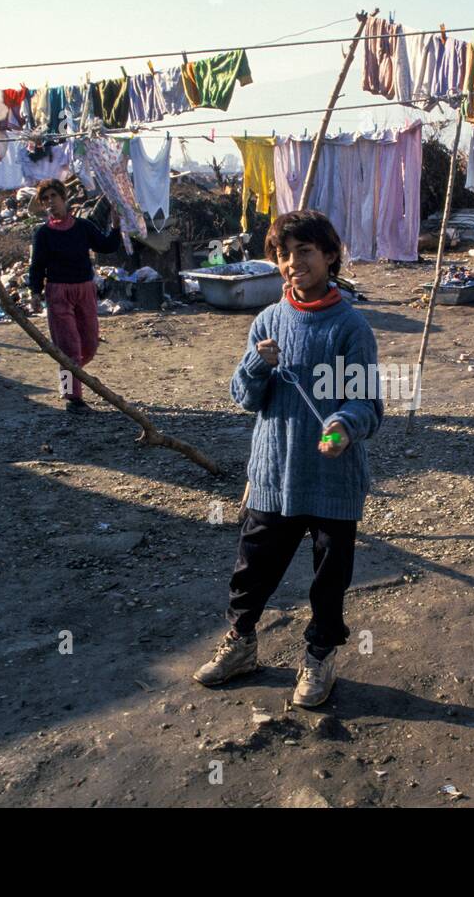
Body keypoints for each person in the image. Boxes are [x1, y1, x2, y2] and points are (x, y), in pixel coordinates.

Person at [193, 210, 384, 707]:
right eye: (283, 254)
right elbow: (243, 396)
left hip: (332, 480)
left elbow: (368, 403)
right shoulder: (267, 321)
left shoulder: (351, 328)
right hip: (272, 475)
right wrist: (258, 362)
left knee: (328, 581)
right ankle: (241, 645)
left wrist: (344, 425)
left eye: (304, 251)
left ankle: (320, 656)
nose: (293, 262)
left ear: (330, 255)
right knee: (251, 571)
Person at [27, 178, 120, 413]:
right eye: (45, 199)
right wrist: (35, 293)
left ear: (63, 198)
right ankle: (72, 397)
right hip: (58, 292)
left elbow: (107, 246)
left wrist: (117, 227)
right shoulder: (44, 233)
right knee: (69, 348)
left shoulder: (83, 227)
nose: (50, 203)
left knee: (88, 345)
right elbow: (37, 266)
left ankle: (69, 375)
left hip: (84, 290)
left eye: (53, 197)